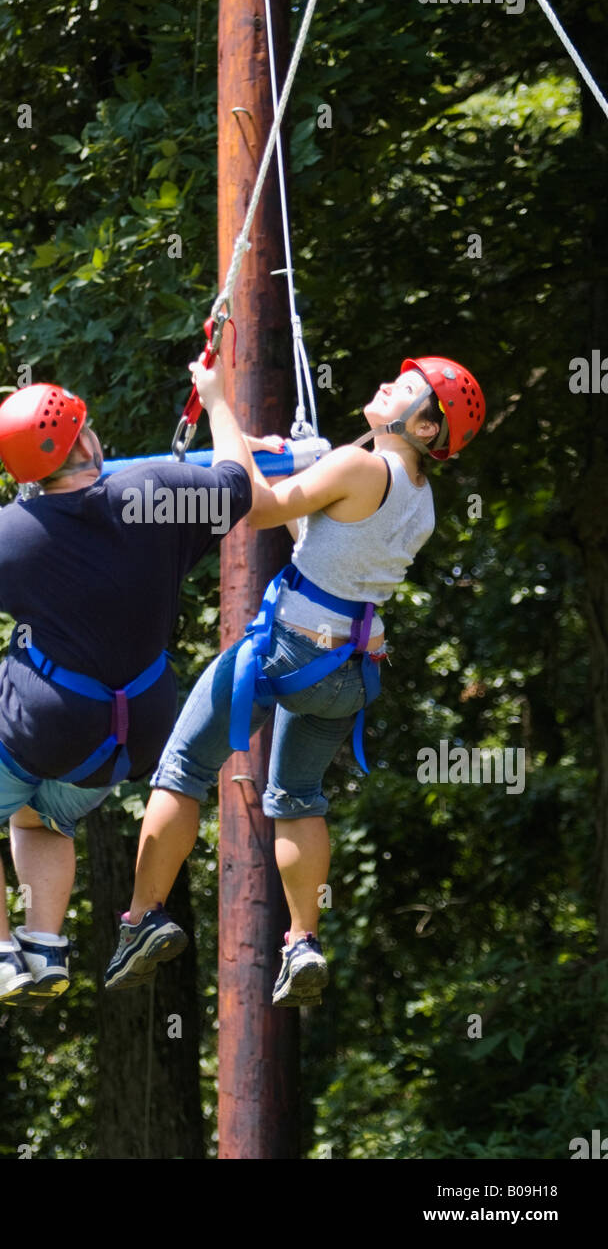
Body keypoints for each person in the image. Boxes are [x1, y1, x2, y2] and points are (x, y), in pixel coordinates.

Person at [104, 355, 485, 1005]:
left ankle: (141, 920)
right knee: (299, 797)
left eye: (407, 388)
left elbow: (259, 508)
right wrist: (269, 449)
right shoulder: (418, 498)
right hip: (348, 672)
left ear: (425, 427)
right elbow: (330, 518)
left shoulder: (357, 466)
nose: (388, 383)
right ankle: (302, 941)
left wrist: (218, 401)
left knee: (183, 768)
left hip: (285, 649)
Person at [0, 376, 255, 1007]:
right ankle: (43, 949)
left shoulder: (12, 536)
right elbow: (237, 482)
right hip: (136, 733)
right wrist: (214, 400)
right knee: (44, 815)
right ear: (88, 440)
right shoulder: (159, 492)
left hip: (51, 725)